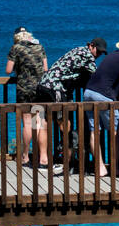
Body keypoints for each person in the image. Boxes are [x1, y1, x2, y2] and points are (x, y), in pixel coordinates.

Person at [34, 37, 108, 171]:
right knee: (65, 124)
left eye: (102, 53)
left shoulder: (77, 50)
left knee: (43, 122)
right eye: (98, 51)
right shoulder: (87, 55)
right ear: (91, 46)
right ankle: (67, 162)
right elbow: (96, 76)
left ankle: (43, 161)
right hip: (55, 88)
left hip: (43, 86)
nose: (98, 55)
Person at [82, 35, 119, 179]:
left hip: (89, 92)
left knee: (94, 131)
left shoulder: (115, 55)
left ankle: (100, 167)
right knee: (115, 132)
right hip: (104, 95)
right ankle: (114, 167)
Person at [6, 27, 47, 165]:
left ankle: (25, 156)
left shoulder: (16, 48)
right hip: (39, 88)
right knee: (39, 122)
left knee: (28, 123)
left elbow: (8, 70)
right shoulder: (39, 47)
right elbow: (45, 69)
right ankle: (42, 156)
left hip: (24, 89)